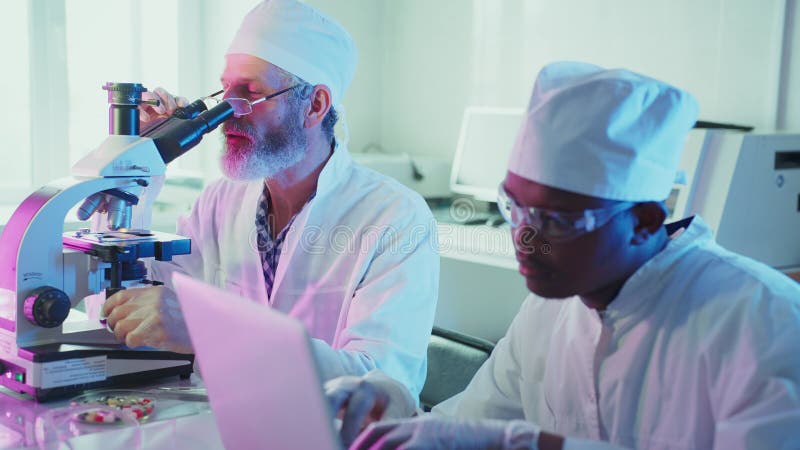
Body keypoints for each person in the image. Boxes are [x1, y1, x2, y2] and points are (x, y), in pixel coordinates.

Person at [326, 62, 800, 449]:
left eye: (558, 219)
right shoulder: (551, 308)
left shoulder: (766, 323)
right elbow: (471, 427)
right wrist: (399, 412)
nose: (525, 239)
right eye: (513, 206)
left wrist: (537, 445)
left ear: (646, 222)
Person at [101, 0, 439, 402]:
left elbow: (383, 386)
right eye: (225, 89)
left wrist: (208, 330)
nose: (226, 112)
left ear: (314, 105)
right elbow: (134, 313)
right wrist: (139, 172)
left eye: (251, 92)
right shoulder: (220, 202)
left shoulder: (395, 218)